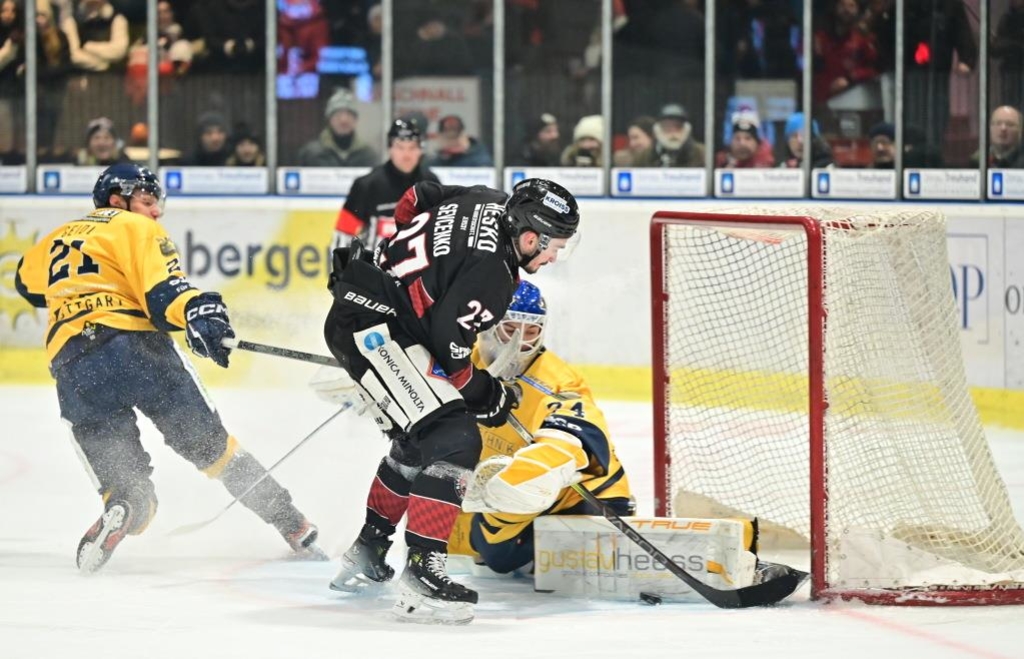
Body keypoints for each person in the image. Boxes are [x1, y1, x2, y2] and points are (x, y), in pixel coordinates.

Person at [13, 164, 325, 574]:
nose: (156, 212)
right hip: (136, 349)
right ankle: (294, 526)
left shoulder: (53, 239)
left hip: (75, 366)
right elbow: (165, 293)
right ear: (117, 200)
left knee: (125, 481)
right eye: (147, 201)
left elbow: (26, 285)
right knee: (214, 451)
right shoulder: (135, 228)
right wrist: (199, 311)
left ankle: (127, 502)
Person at [318, 177, 580, 624]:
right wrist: (485, 393)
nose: (554, 256)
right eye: (554, 245)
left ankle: (369, 548)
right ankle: (423, 572)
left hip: (372, 304)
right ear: (530, 236)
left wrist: (400, 261)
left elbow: (418, 195)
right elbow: (450, 349)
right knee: (455, 438)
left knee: (423, 437)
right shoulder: (494, 276)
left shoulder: (488, 198)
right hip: (375, 332)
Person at [450, 280, 633, 575]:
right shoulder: (461, 360)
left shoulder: (558, 382)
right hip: (516, 490)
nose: (518, 343)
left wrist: (514, 480)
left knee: (495, 552)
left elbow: (574, 439)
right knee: (459, 537)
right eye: (510, 329)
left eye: (531, 331)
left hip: (581, 495)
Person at [329, 118, 439, 252]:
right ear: (390, 149)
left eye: (412, 147)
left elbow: (440, 234)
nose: (406, 154)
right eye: (400, 147)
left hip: (418, 270)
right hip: (374, 269)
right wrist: (342, 271)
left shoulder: (431, 184)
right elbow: (343, 235)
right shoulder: (366, 185)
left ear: (420, 150)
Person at [296, 87, 378, 167]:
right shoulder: (311, 155)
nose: (344, 120)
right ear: (329, 120)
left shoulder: (368, 156)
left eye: (349, 115)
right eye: (338, 115)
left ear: (355, 121)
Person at [427, 114, 493, 167]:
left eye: (456, 135)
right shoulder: (436, 159)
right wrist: (444, 157)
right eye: (449, 137)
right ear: (441, 137)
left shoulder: (478, 152)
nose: (453, 141)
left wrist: (467, 152)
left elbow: (486, 167)